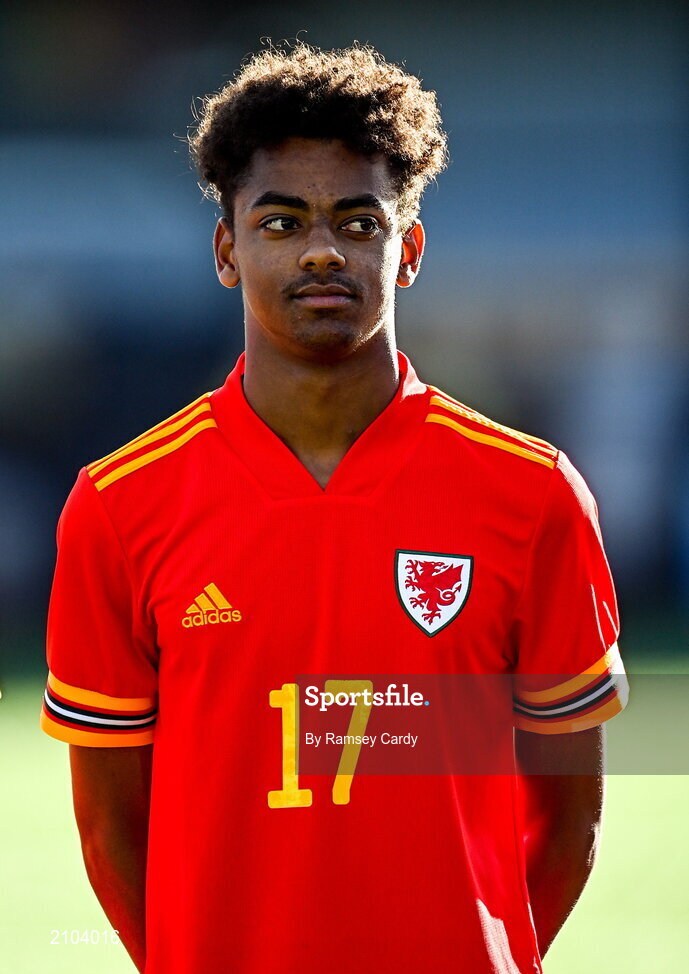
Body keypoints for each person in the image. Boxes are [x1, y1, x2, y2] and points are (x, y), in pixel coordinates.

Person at [41, 42, 628, 974]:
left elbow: (568, 819)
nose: (322, 248)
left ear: (410, 251)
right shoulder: (119, 504)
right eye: (281, 222)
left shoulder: (531, 492)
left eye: (359, 221)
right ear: (228, 250)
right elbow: (111, 828)